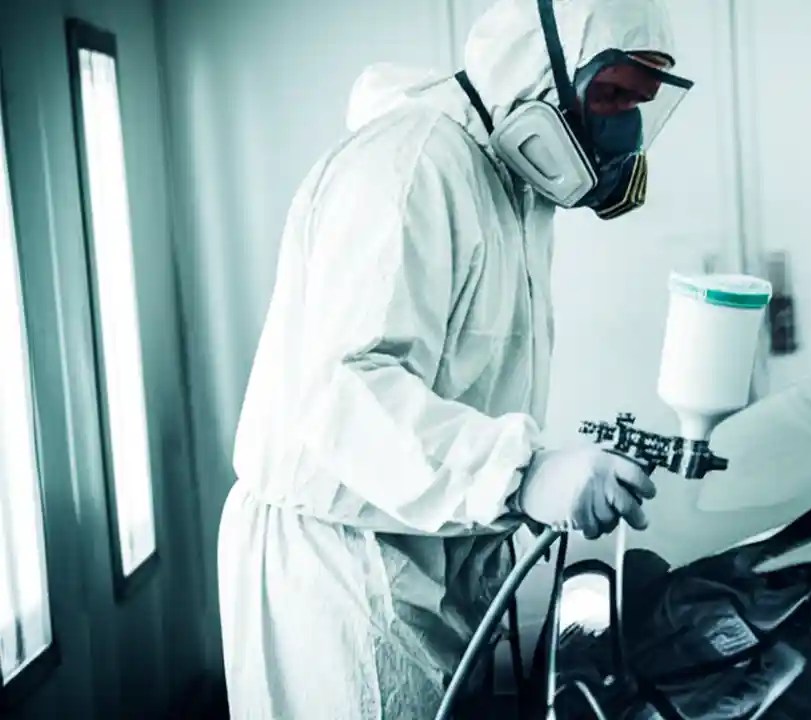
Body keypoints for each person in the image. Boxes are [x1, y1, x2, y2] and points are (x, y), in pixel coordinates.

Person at [215, 0, 692, 717]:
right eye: (612, 92)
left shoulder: (509, 186)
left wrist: (527, 474)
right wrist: (521, 472)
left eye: (640, 102)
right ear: (542, 68)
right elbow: (344, 391)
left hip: (423, 548)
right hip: (347, 564)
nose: (623, 124)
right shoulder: (411, 167)